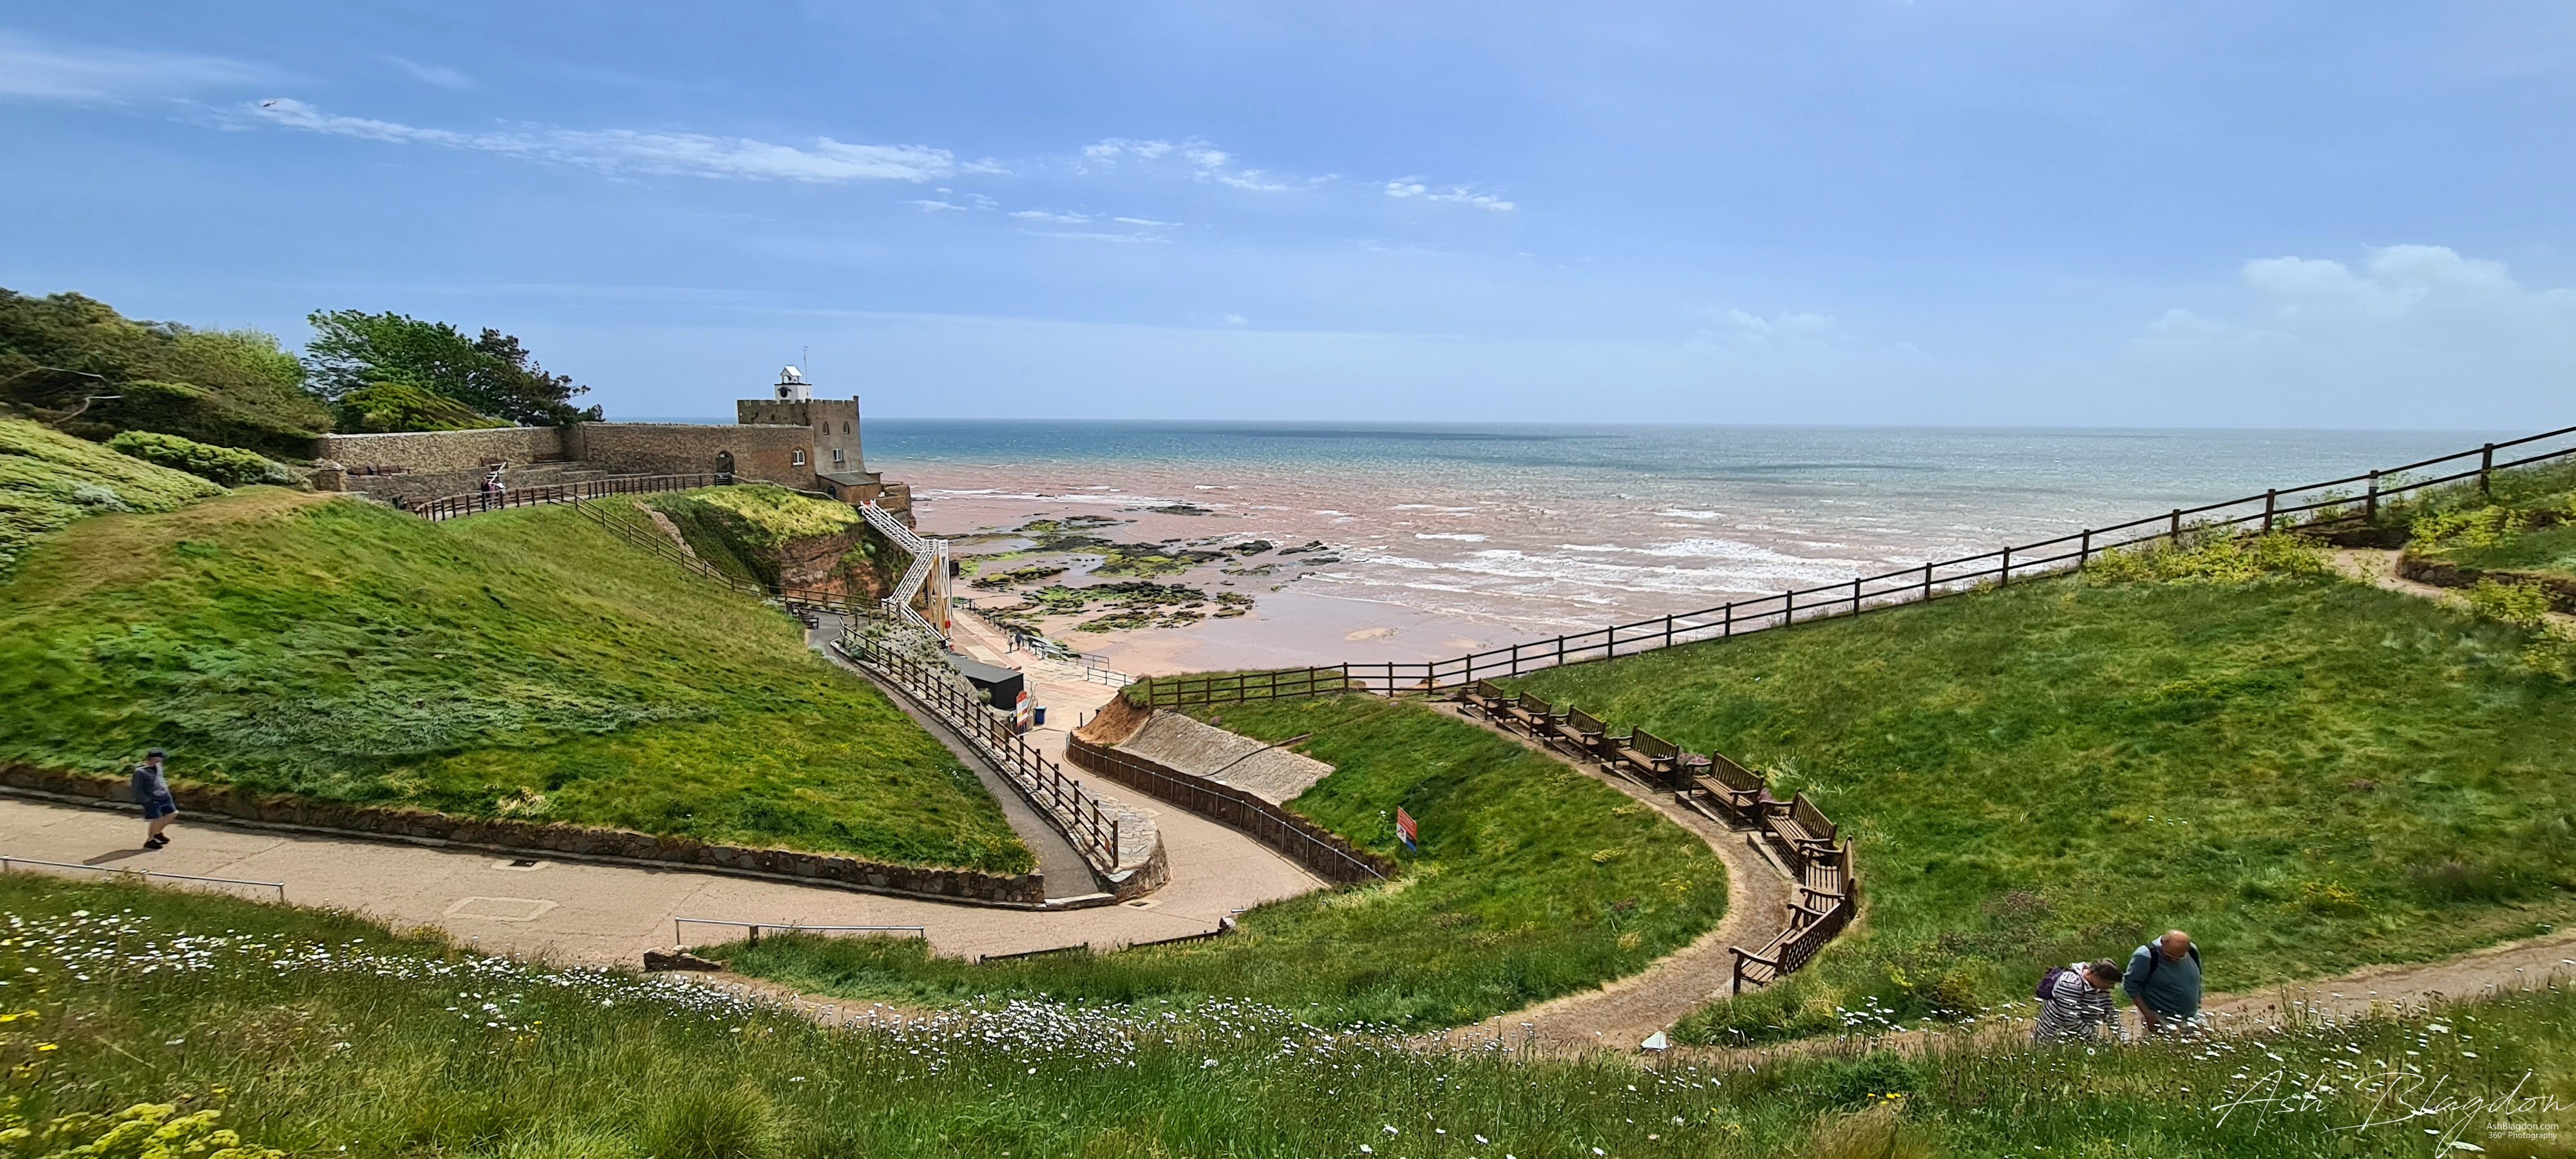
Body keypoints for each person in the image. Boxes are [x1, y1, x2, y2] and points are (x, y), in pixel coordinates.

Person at [2123, 929, 2203, 1035]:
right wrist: (2148, 1015)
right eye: (2170, 955)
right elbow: (2130, 985)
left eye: (2180, 957)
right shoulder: (2146, 955)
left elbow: (2198, 976)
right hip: (2161, 1018)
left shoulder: (2192, 950)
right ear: (2163, 943)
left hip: (2191, 1016)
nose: (2174, 959)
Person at [2032, 959, 2124, 1042]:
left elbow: (2109, 1012)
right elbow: (2071, 1019)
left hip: (2081, 1039)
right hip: (2055, 1037)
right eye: (2110, 983)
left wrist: (2123, 1037)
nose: (2112, 987)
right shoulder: (2070, 983)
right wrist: (2094, 1040)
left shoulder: (2101, 988)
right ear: (2096, 976)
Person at [131, 748, 178, 849]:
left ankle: (157, 833)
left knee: (173, 814)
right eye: (159, 759)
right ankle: (150, 840)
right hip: (151, 799)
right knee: (157, 819)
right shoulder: (140, 772)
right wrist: (146, 800)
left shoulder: (158, 767)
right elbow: (137, 789)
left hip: (164, 796)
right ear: (152, 758)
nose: (161, 761)